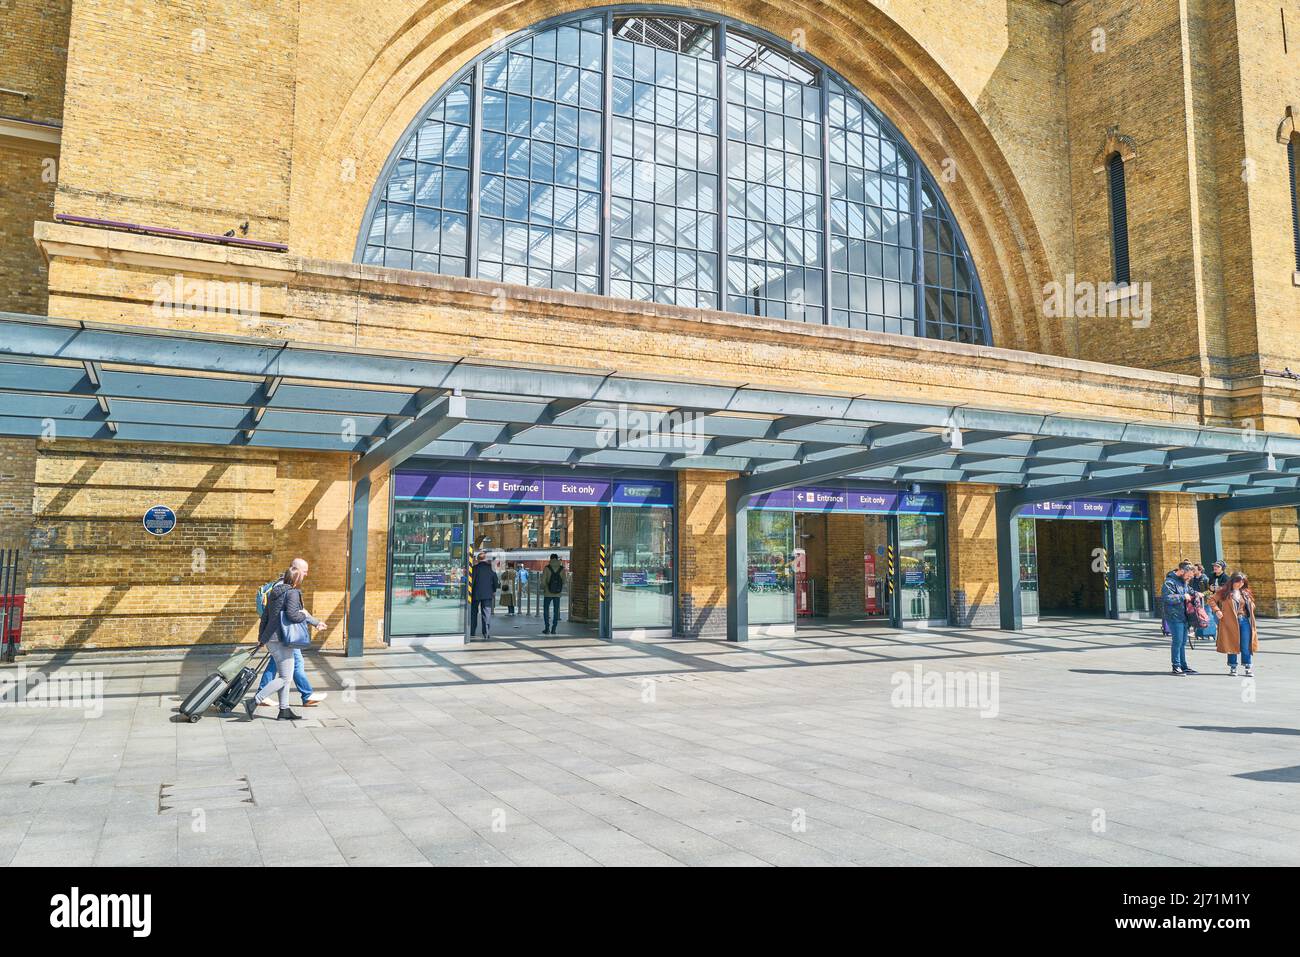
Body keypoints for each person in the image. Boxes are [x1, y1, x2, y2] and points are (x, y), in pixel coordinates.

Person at [245, 558, 326, 720]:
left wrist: (262, 638)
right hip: (283, 640)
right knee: (285, 678)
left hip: (271, 639)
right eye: (303, 573)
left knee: (285, 676)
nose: (304, 576)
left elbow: (266, 616)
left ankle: (284, 710)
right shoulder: (293, 592)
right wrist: (304, 616)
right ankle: (255, 700)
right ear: (296, 577)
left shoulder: (276, 591)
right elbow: (293, 615)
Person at [1209, 572, 1258, 677]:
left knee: (1246, 644)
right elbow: (1211, 599)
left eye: (1242, 582)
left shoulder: (1245, 592)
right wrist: (1217, 610)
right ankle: (1233, 667)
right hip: (1230, 621)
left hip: (1245, 620)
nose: (1240, 584)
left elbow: (1251, 604)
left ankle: (1248, 667)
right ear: (1232, 581)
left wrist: (1251, 605)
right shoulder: (1224, 591)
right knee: (1232, 643)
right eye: (1238, 582)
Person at [1160, 561, 1199, 676]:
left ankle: (1184, 666)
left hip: (1184, 616)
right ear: (1182, 571)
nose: (1190, 578)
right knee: (1177, 642)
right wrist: (1183, 596)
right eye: (1189, 575)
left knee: (1182, 642)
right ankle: (1176, 666)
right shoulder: (1169, 582)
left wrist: (1198, 593)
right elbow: (1167, 598)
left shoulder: (1184, 582)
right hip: (1174, 616)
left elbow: (1190, 591)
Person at [256, 647, 327, 708]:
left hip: (279, 637)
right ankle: (307, 695)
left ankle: (261, 694)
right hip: (287, 636)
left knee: (274, 663)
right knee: (297, 663)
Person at [469, 551, 498, 640]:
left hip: (475, 594)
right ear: (485, 559)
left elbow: (471, 582)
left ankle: (472, 632)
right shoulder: (491, 569)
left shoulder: (474, 568)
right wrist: (493, 590)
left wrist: (470, 592)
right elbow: (495, 581)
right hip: (487, 594)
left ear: (477, 560)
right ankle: (486, 633)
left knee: (473, 613)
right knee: (486, 614)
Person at [541, 553, 565, 635]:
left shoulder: (547, 568)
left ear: (550, 559)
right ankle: (554, 629)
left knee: (546, 610)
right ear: (557, 559)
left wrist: (544, 588)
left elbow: (543, 581)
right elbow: (564, 581)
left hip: (548, 593)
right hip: (557, 593)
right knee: (556, 611)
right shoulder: (562, 569)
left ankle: (547, 628)